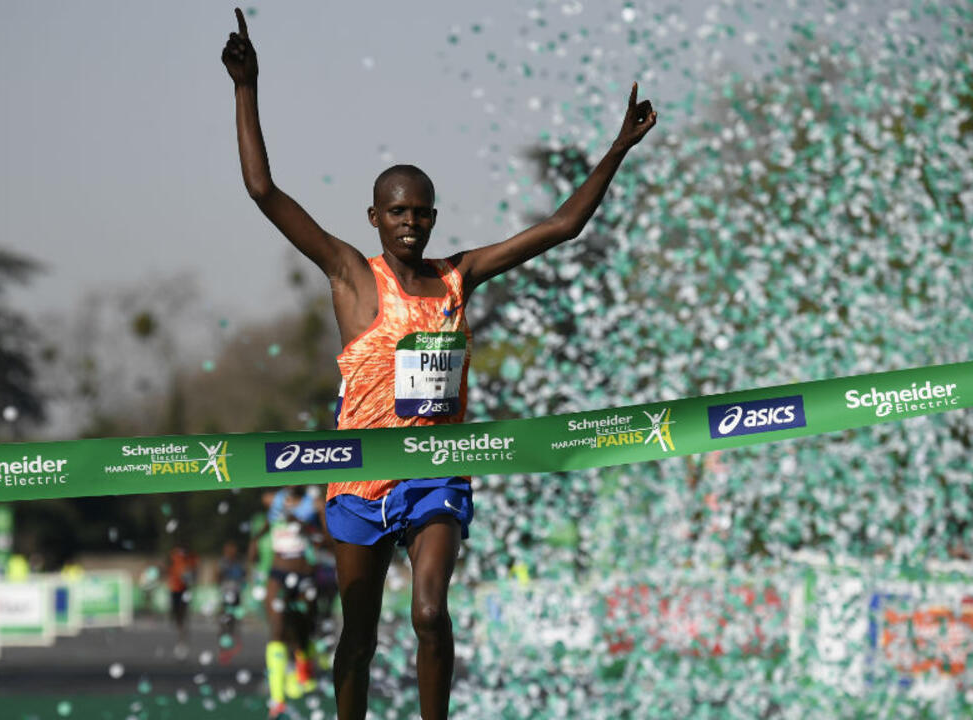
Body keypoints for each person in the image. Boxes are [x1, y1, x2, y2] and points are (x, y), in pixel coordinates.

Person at [222, 9, 656, 719]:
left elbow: (562, 226)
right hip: (358, 477)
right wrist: (247, 87)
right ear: (373, 217)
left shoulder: (460, 274)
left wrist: (617, 149)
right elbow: (265, 193)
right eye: (397, 212)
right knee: (357, 635)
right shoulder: (350, 276)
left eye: (422, 212)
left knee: (429, 613)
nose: (411, 223)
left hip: (435, 467)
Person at [249, 485, 320, 717]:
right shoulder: (276, 506)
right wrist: (252, 551)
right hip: (277, 574)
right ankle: (277, 697)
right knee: (277, 629)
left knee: (303, 629)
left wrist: (310, 523)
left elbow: (325, 538)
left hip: (304, 575)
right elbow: (263, 524)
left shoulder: (313, 506)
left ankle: (304, 673)